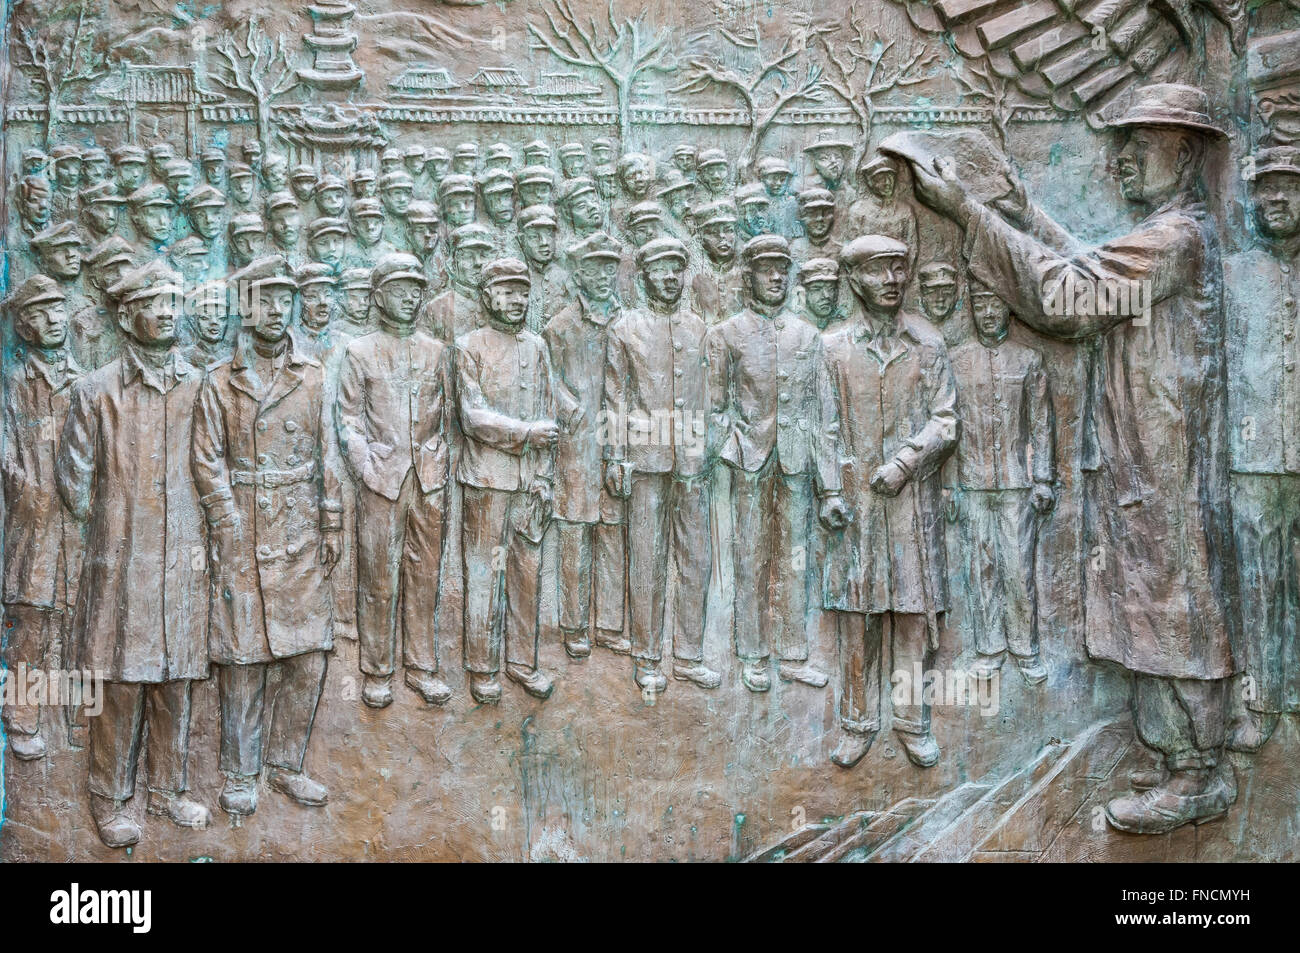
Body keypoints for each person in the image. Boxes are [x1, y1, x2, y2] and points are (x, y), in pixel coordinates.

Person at [908, 82, 1239, 832]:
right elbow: (1095, 268)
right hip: (1140, 459)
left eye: (1139, 145)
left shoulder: (1176, 238)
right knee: (1149, 596)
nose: (1121, 158)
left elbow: (1070, 295)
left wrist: (970, 213)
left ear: (1183, 156)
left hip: (1163, 465)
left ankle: (1198, 773)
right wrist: (1028, 214)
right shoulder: (1164, 235)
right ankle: (1177, 759)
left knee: (1172, 600)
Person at [56, 261, 211, 848]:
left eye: (176, 300)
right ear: (125, 315)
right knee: (121, 682)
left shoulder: (200, 386)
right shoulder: (95, 392)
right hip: (122, 560)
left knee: (177, 678)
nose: (169, 311)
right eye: (156, 300)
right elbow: (74, 487)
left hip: (184, 560)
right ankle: (110, 796)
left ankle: (169, 790)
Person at [191, 258, 341, 816]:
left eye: (284, 299)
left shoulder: (315, 375)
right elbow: (208, 462)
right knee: (244, 657)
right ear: (244, 307)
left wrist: (330, 522)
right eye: (263, 299)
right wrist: (227, 526)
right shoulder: (218, 381)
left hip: (299, 528)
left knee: (308, 655)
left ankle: (287, 765)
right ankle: (240, 771)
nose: (276, 310)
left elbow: (330, 454)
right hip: (244, 529)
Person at [822, 235, 957, 770]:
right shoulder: (833, 349)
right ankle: (856, 723)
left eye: (900, 268)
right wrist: (831, 489)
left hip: (910, 502)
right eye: (879, 271)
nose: (893, 280)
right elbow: (823, 425)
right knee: (857, 616)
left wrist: (905, 462)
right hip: (854, 503)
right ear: (854, 280)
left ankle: (911, 721)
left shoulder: (929, 342)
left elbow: (945, 420)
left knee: (911, 614)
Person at [705, 235, 847, 692]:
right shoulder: (726, 334)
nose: (776, 277)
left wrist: (831, 487)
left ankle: (792, 654)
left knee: (794, 558)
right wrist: (734, 448)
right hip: (751, 461)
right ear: (748, 276)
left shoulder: (808, 336)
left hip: (797, 463)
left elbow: (825, 414)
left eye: (782, 269)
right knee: (750, 557)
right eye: (766, 269)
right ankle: (752, 653)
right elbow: (711, 407)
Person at [336, 254, 454, 709]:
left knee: (426, 576)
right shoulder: (359, 352)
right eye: (401, 288)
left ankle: (422, 666)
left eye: (416, 289)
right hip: (382, 481)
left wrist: (440, 462)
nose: (410, 297)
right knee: (378, 577)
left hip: (429, 480)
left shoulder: (437, 351)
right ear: (378, 296)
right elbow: (348, 420)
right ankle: (378, 670)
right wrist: (365, 465)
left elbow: (448, 415)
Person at [604, 237, 720, 692]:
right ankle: (648, 656)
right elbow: (614, 398)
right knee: (648, 561)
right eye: (661, 269)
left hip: (692, 460)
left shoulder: (698, 328)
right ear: (645, 275)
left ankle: (689, 654)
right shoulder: (625, 327)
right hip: (645, 459)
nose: (670, 277)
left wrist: (708, 446)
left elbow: (711, 393)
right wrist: (616, 456)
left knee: (696, 558)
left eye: (677, 269)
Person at [456, 258, 571, 703]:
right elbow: (472, 416)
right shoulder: (469, 346)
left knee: (527, 572)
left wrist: (544, 477)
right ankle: (483, 667)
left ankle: (523, 662)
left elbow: (548, 412)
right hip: (488, 481)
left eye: (523, 291)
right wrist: (524, 435)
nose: (517, 299)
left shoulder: (537, 347)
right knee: (487, 571)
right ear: (487, 296)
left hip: (530, 483)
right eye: (506, 290)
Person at [1224, 144, 1300, 751]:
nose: (1278, 200)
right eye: (1267, 189)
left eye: (1291, 187)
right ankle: (1262, 701)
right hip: (1252, 460)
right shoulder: (1234, 275)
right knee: (1257, 583)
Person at [949, 278, 1056, 686]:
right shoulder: (957, 361)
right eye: (981, 306)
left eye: (995, 305)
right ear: (972, 309)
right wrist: (947, 485)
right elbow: (946, 425)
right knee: (981, 568)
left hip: (1016, 483)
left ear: (1008, 310)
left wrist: (1042, 478)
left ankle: (1026, 649)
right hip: (973, 482)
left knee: (1018, 568)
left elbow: (1042, 424)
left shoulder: (1028, 360)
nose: (988, 313)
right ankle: (989, 649)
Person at [2, 276, 85, 761]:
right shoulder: (15, 382)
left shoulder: (85, 379)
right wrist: (27, 489)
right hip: (32, 526)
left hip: (79, 525)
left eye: (57, 310)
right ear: (25, 327)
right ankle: (24, 718)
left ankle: (80, 718)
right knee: (31, 623)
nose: (52, 320)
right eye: (39, 314)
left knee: (81, 619)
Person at [543, 234, 628, 660]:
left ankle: (610, 624)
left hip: (618, 440)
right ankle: (574, 624)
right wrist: (570, 408)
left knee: (612, 534)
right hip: (576, 447)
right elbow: (546, 378)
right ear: (579, 273)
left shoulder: (626, 320)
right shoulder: (559, 326)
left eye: (610, 268)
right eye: (594, 268)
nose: (603, 276)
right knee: (574, 536)